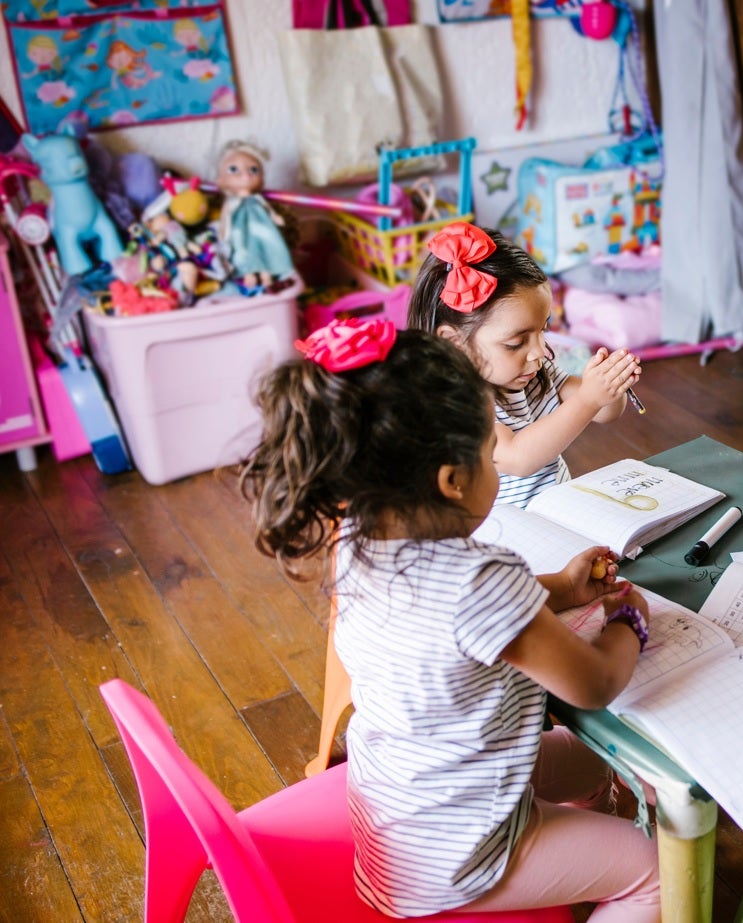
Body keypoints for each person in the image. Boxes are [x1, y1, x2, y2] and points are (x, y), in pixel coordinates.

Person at [239, 318, 660, 921]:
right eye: (492, 455)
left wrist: (563, 589)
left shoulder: (358, 536)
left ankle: (580, 871)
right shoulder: (480, 579)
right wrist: (631, 626)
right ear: (452, 481)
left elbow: (459, 622)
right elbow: (592, 683)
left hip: (403, 810)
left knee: (599, 761)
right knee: (652, 867)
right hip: (458, 857)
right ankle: (611, 883)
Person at [407, 221, 641, 508]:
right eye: (515, 343)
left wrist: (609, 385)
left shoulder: (533, 372)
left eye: (543, 330)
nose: (539, 352)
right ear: (454, 343)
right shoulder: (455, 403)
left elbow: (605, 413)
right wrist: (588, 399)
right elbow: (518, 459)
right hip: (504, 534)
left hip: (558, 511)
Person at [214, 139, 293, 291]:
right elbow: (225, 218)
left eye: (254, 170)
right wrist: (222, 233)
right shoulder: (231, 202)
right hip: (240, 233)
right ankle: (248, 273)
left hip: (261, 230)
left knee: (266, 246)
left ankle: (266, 273)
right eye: (234, 170)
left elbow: (268, 209)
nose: (246, 174)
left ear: (262, 179)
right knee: (243, 251)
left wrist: (275, 217)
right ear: (221, 181)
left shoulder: (257, 199)